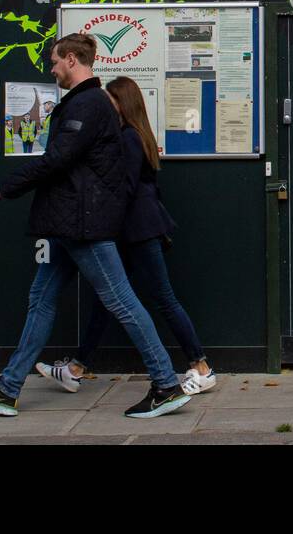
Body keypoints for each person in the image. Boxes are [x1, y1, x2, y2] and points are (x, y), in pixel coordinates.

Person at [0, 34, 191, 420]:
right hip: (69, 225)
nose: (52, 70)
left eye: (54, 62)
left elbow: (57, 159)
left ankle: (166, 384)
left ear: (72, 59)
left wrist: (4, 187)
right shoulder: (88, 104)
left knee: (121, 301)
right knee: (41, 300)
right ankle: (7, 387)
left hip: (83, 226)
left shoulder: (86, 104)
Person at [36, 76, 217, 396]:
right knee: (108, 302)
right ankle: (75, 369)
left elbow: (125, 189)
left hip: (139, 231)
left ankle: (201, 367)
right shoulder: (133, 135)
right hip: (133, 230)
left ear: (122, 103)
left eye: (110, 102)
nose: (105, 108)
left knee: (162, 298)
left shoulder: (129, 138)